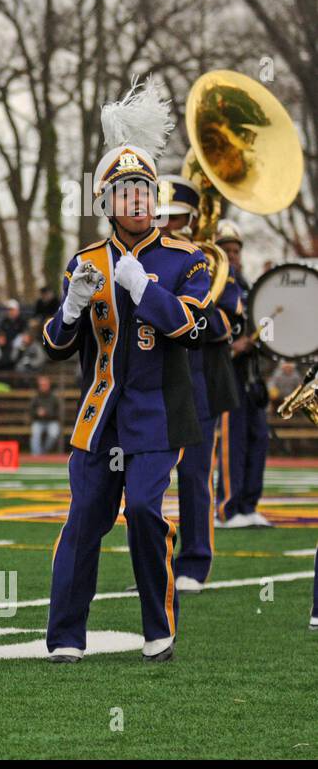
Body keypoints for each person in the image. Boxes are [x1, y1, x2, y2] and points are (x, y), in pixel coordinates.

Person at [40, 80, 209, 664]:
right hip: (100, 414)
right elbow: (57, 346)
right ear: (105, 202)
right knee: (84, 519)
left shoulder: (188, 259)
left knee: (142, 509)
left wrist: (143, 287)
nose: (134, 200)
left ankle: (157, 627)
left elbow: (190, 327)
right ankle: (65, 635)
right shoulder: (84, 262)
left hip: (160, 414)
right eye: (122, 192)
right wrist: (69, 309)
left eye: (142, 189)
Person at [157, 174, 239, 592]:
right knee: (148, 478)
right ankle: (155, 565)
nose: (166, 225)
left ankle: (194, 561)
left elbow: (227, 324)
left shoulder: (208, 261)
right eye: (160, 217)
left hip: (198, 380)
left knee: (193, 473)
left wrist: (186, 313)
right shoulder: (150, 257)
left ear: (190, 218)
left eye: (174, 217)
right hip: (154, 380)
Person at [215, 223, 272, 529]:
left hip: (250, 375)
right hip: (227, 374)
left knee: (258, 437)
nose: (233, 255)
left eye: (236, 250)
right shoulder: (211, 283)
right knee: (232, 441)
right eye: (227, 250)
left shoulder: (247, 285)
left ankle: (249, 504)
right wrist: (233, 346)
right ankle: (227, 508)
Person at [27, 374, 62, 454]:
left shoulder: (54, 398)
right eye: (42, 384)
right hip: (38, 421)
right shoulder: (35, 397)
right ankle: (36, 455)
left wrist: (47, 413)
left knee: (54, 433)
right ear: (39, 385)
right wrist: (37, 413)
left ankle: (44, 452)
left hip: (52, 421)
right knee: (35, 433)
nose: (43, 386)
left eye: (45, 384)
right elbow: (30, 411)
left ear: (49, 384)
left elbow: (59, 412)